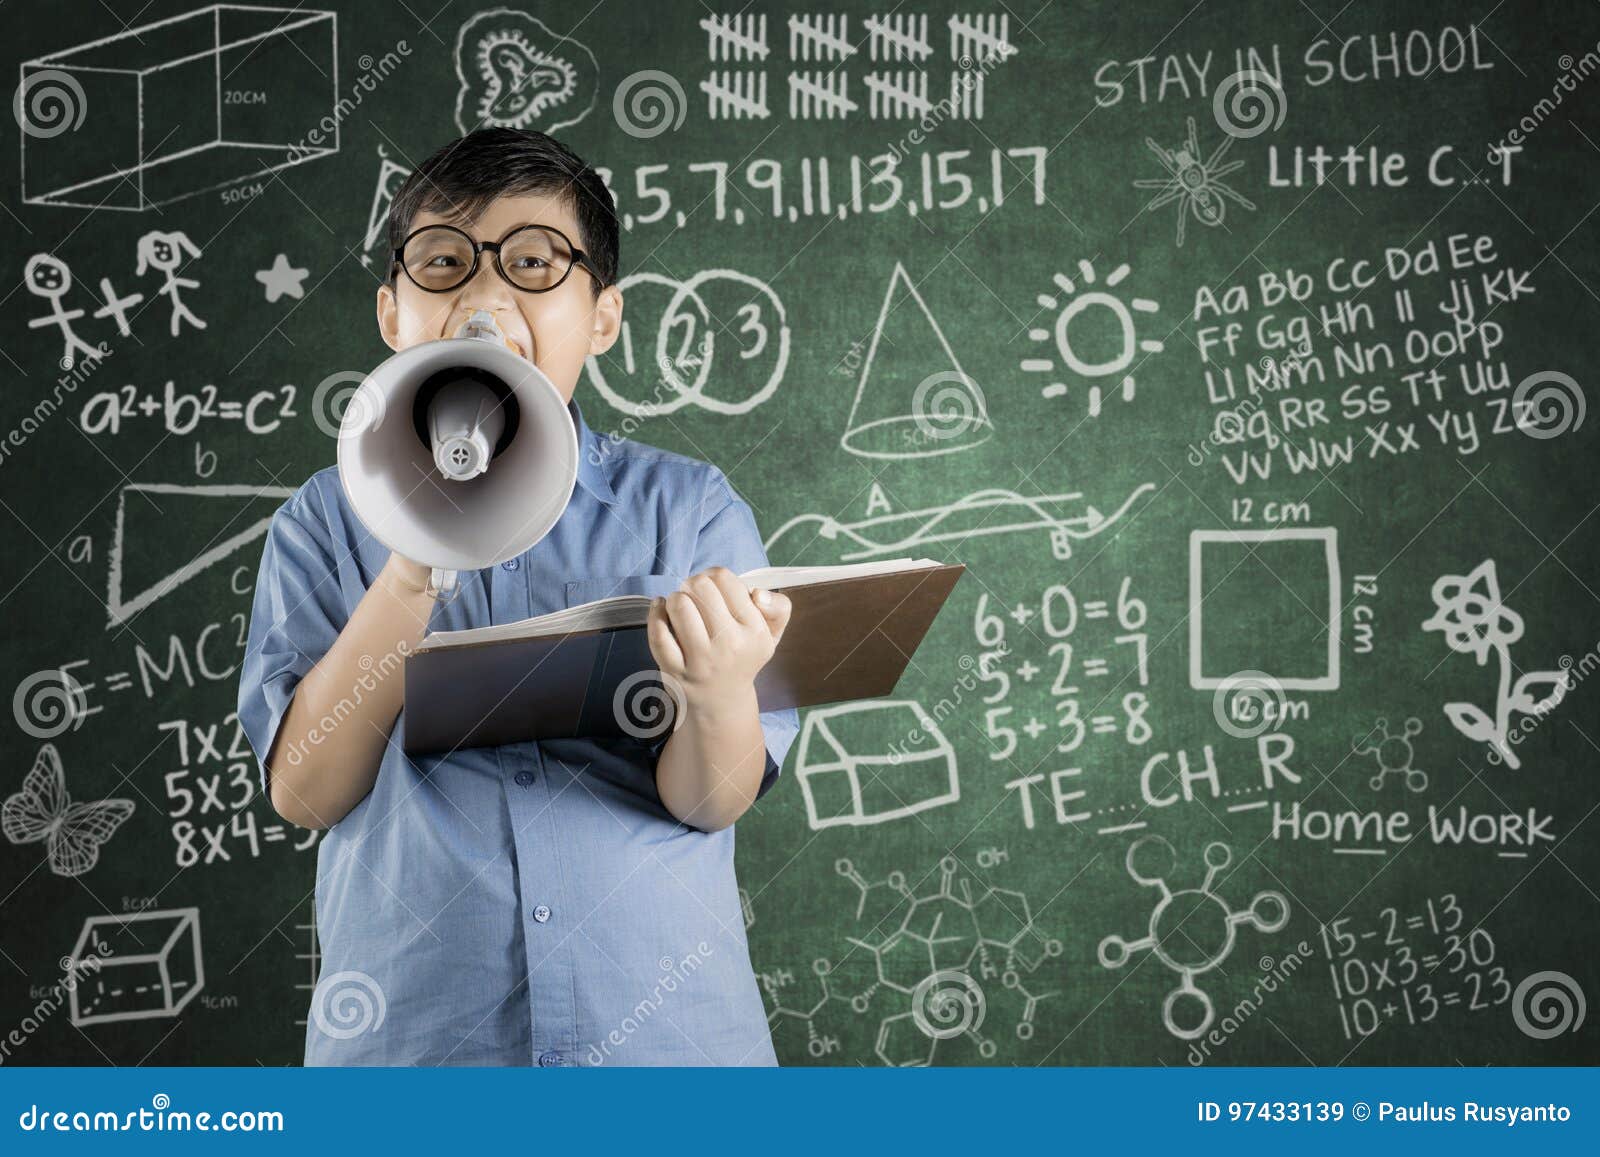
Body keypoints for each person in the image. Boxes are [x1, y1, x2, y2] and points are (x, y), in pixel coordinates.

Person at [237, 127, 800, 1066]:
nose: (486, 299)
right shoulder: (325, 519)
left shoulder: (689, 508)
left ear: (605, 317)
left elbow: (712, 799)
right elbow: (305, 790)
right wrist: (416, 554)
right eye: (443, 262)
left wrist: (716, 694)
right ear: (391, 312)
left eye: (534, 263)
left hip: (667, 1052)